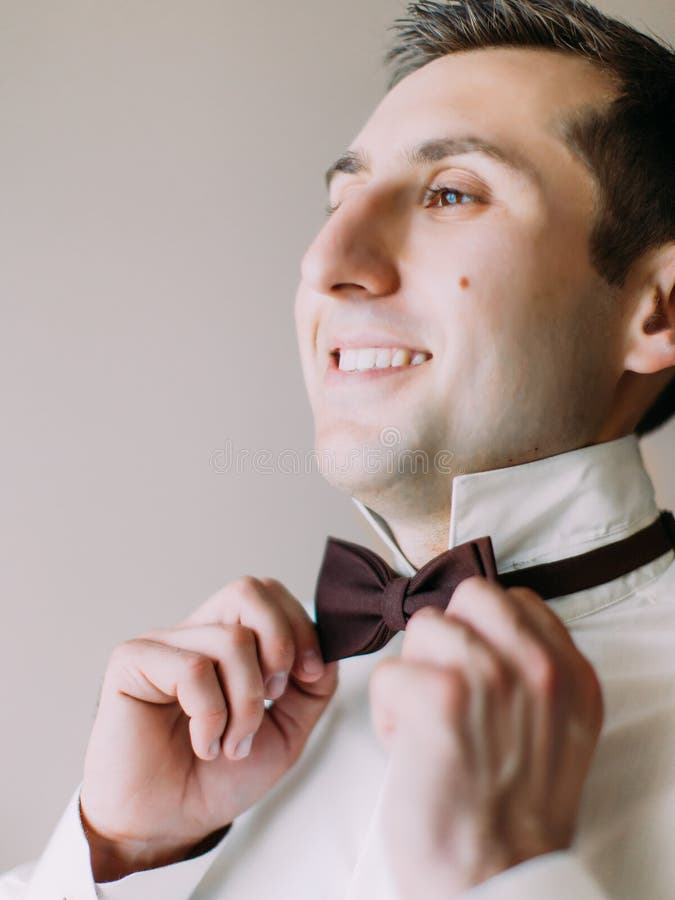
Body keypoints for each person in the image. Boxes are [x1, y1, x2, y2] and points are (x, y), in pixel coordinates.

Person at [2, 0, 674, 897]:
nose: (326, 260)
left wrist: (508, 879)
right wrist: (119, 855)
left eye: (450, 193)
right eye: (339, 199)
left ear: (658, 309)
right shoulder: (211, 755)